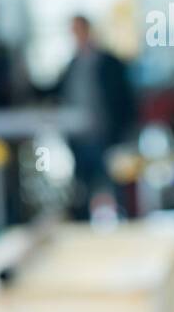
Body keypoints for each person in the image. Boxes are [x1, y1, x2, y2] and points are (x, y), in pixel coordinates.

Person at [41, 15, 136, 218]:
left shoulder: (110, 62)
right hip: (79, 137)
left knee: (115, 186)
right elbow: (56, 92)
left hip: (106, 135)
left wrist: (125, 132)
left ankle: (123, 225)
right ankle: (83, 228)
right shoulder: (72, 64)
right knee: (83, 188)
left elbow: (126, 99)